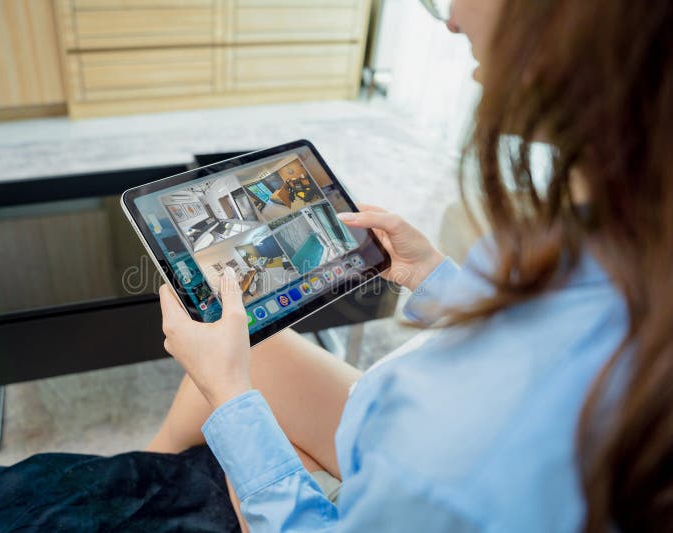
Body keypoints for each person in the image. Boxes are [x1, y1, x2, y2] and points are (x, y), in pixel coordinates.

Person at [147, 0, 673, 531]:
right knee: (259, 350)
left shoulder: (443, 470)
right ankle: (145, 473)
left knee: (230, 373)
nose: (449, 16)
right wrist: (432, 276)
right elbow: (531, 327)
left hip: (405, 469)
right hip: (392, 431)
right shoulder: (625, 238)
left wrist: (231, 398)